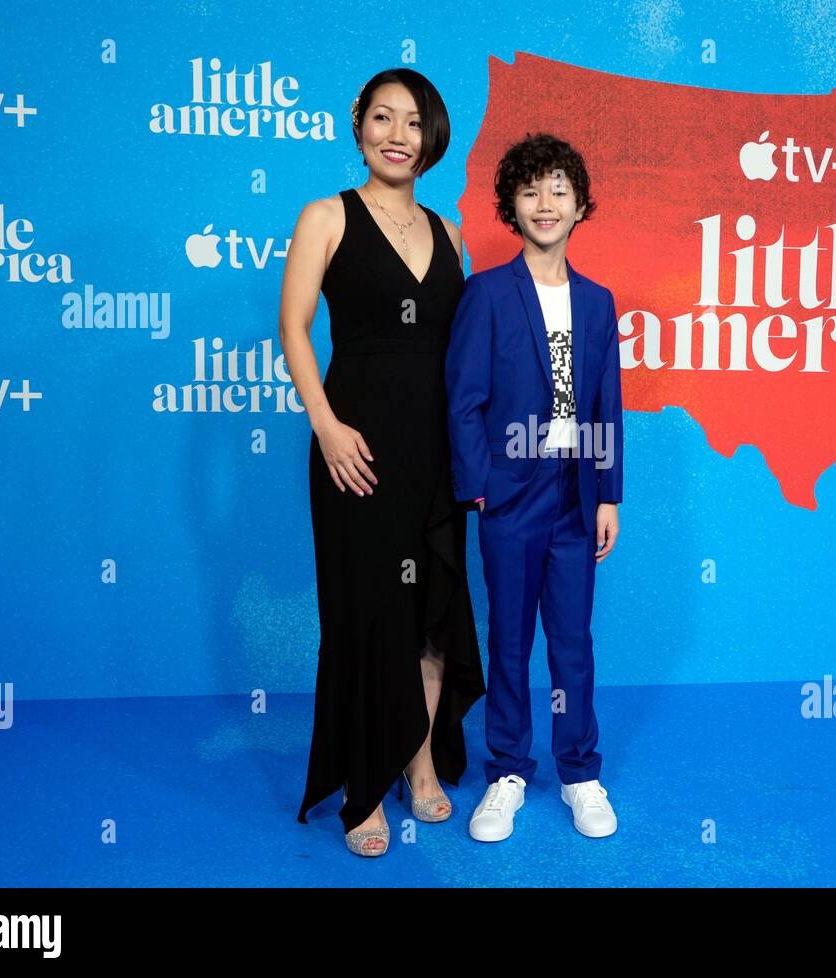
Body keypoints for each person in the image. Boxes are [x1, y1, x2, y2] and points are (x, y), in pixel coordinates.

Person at [279, 68, 486, 857]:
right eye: (382, 118)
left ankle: (420, 762)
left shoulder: (451, 231)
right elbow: (295, 328)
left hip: (432, 455)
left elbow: (462, 356)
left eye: (413, 121)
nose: (397, 134)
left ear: (432, 137)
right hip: (355, 452)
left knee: (432, 612)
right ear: (359, 126)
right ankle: (363, 784)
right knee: (366, 617)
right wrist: (327, 427)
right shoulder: (326, 216)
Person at [445, 132, 624, 842]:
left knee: (572, 641)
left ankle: (581, 772)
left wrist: (609, 493)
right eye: (529, 191)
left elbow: (607, 399)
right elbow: (462, 399)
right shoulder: (487, 294)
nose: (544, 203)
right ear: (510, 210)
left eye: (558, 189)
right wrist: (480, 489)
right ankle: (509, 771)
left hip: (576, 498)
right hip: (509, 497)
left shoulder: (599, 302)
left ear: (580, 205)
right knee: (510, 640)